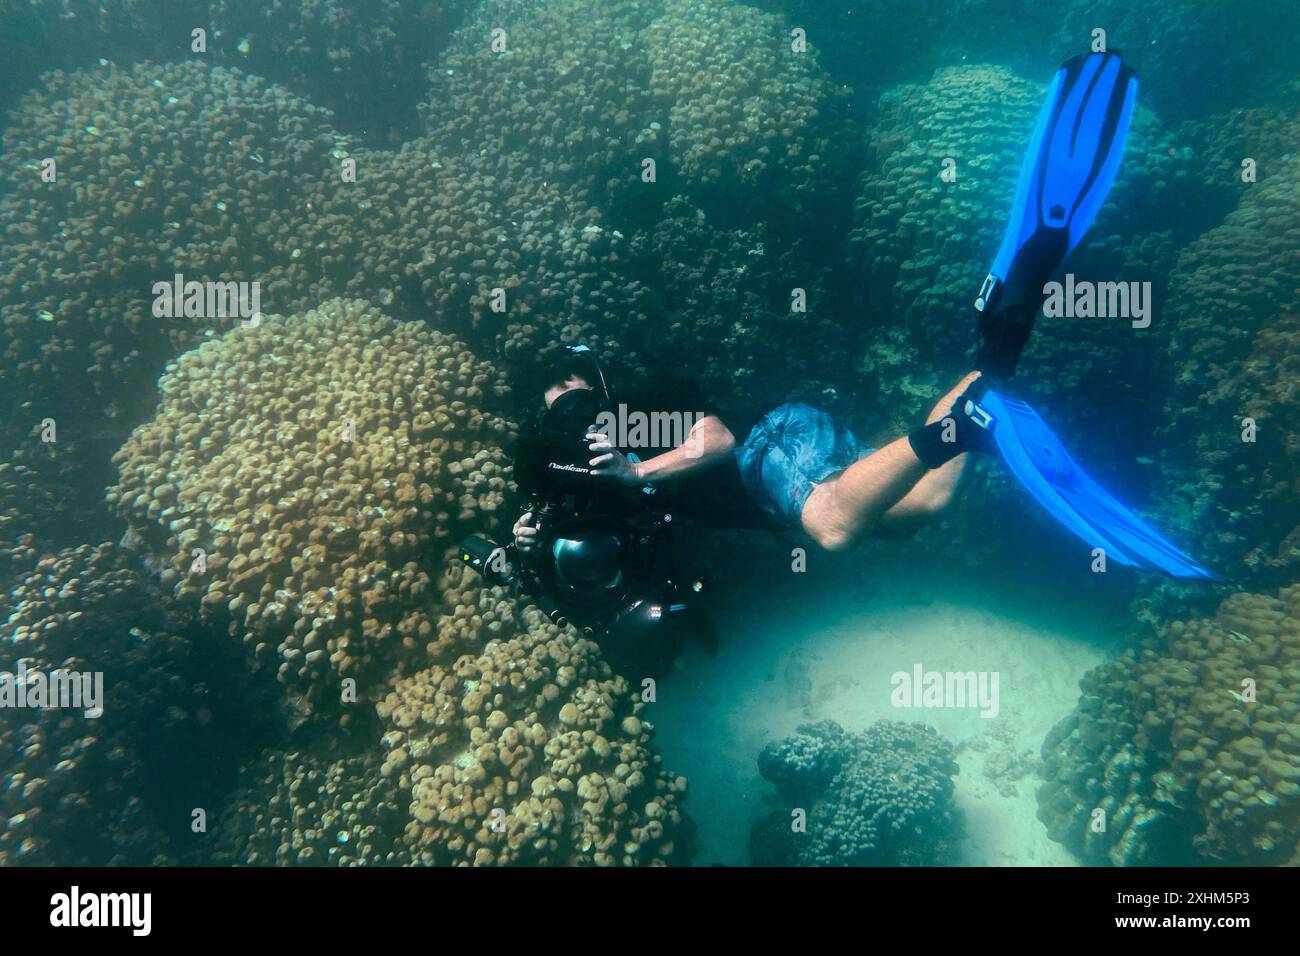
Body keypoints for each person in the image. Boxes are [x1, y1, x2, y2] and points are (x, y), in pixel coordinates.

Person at [513, 348, 988, 556]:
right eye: (563, 417)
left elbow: (719, 439)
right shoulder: (595, 468)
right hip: (773, 486)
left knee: (833, 527)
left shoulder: (647, 401)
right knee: (925, 502)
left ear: (597, 387)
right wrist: (530, 536)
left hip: (769, 441)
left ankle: (962, 427)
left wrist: (637, 473)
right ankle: (982, 388)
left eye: (579, 402)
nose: (580, 420)